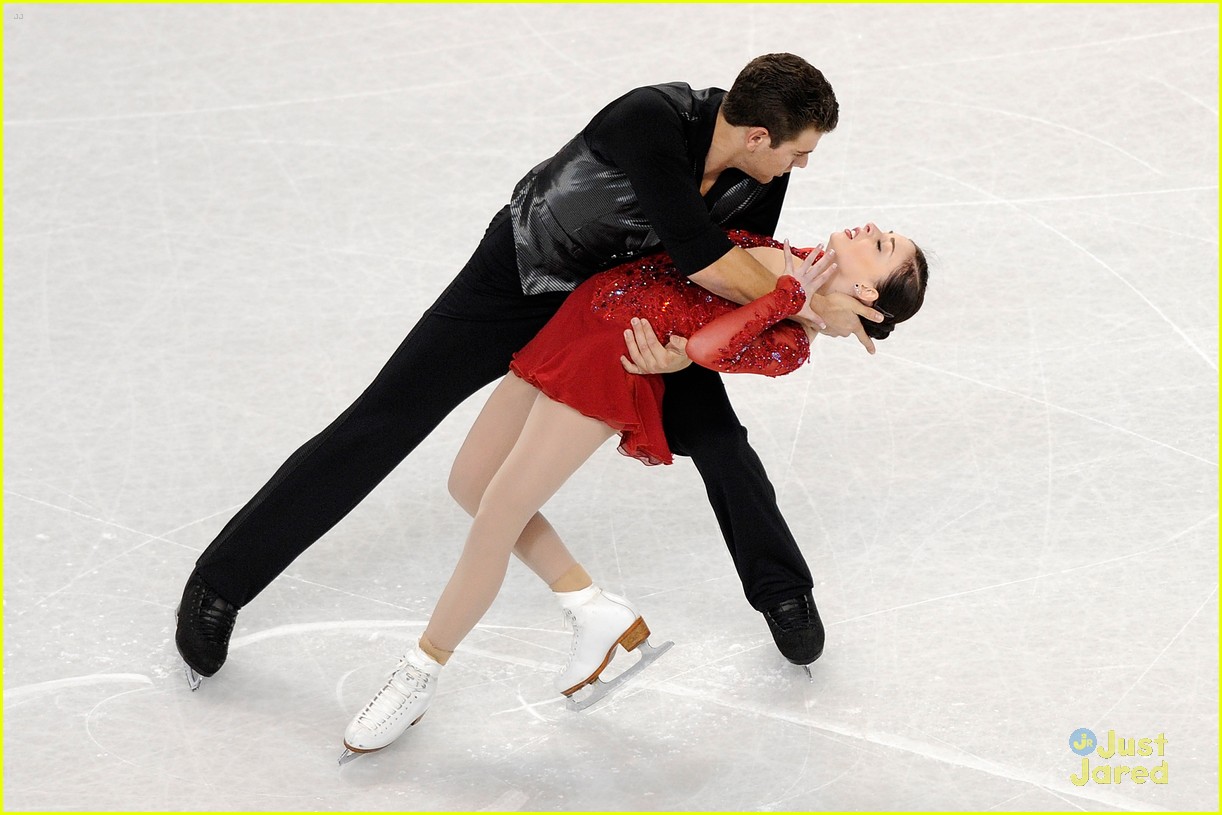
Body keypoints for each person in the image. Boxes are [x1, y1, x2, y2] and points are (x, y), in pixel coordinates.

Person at [175, 53, 882, 690]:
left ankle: (782, 590)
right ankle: (221, 581)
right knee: (386, 418)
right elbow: (707, 255)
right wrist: (813, 304)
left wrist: (791, 311)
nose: (802, 168)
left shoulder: (761, 175)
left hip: (628, 315)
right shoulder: (654, 119)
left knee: (722, 442)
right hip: (518, 282)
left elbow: (739, 267)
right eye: (799, 153)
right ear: (758, 136)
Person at [340, 223, 929, 758]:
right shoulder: (787, 250)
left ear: (868, 295)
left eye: (882, 247)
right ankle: (592, 608)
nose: (872, 229)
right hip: (577, 321)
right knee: (469, 483)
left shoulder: (790, 340)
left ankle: (421, 670)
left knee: (498, 516)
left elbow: (705, 350)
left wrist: (790, 301)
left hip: (612, 360)